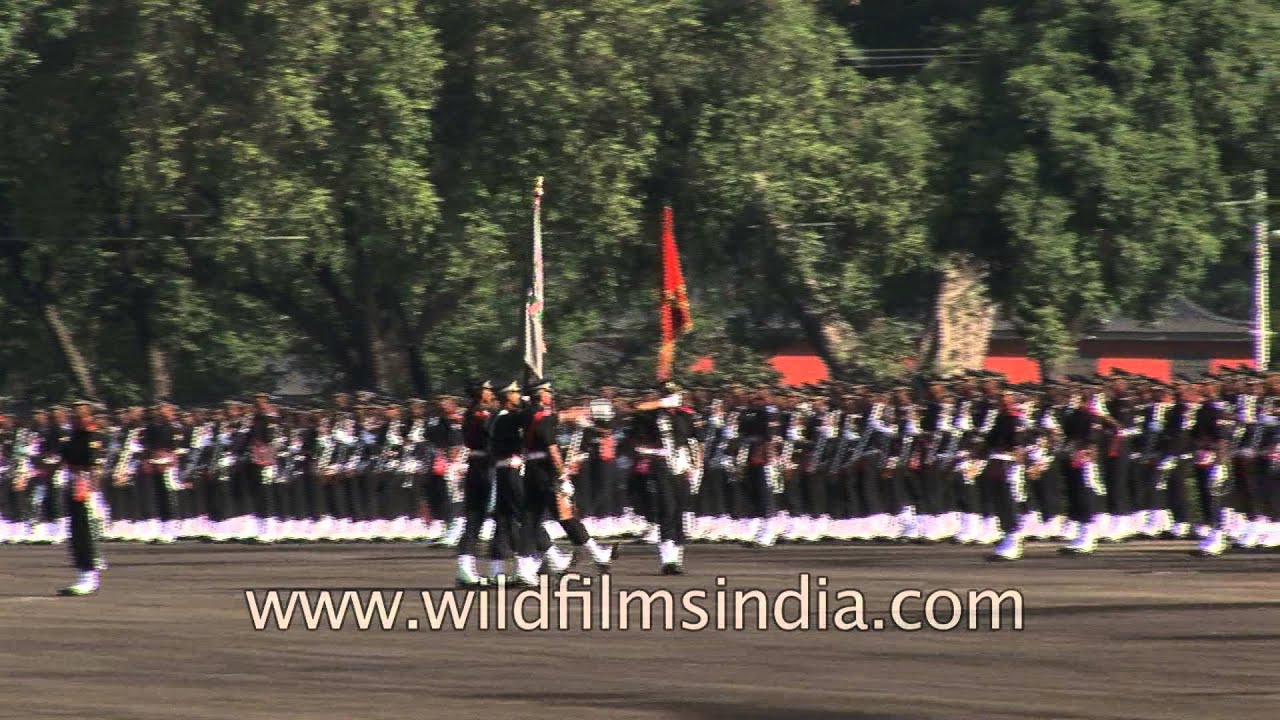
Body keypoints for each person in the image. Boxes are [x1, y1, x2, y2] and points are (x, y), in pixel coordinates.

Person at [59, 400, 106, 596]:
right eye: (74, 415)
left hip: (85, 486)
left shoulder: (92, 436)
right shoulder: (72, 436)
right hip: (73, 483)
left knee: (86, 532)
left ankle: (89, 576)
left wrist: (94, 492)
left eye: (80, 415)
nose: (76, 419)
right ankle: (82, 573)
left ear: (88, 416)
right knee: (76, 532)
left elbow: (96, 466)